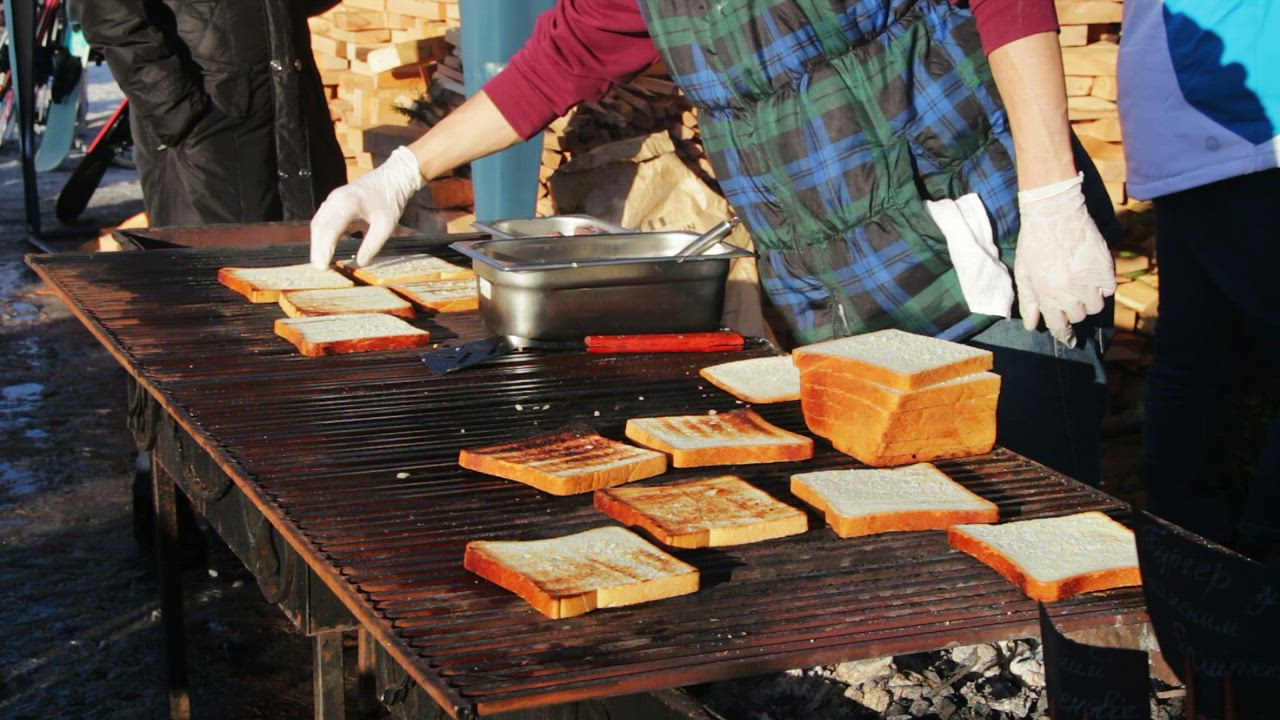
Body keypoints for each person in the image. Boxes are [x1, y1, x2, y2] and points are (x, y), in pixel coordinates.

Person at [311, 0, 1120, 485]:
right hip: (830, 296)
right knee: (917, 552)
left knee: (1043, 544)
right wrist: (404, 171)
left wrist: (1050, 194)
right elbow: (559, 60)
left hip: (992, 261)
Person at [1118, 2, 1280, 552]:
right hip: (1246, 109)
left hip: (1200, 104)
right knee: (1198, 361)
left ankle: (1192, 561)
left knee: (1199, 356)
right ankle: (1253, 559)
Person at [81, 0, 346, 225]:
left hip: (290, 108)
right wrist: (175, 109)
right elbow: (112, 16)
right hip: (206, 125)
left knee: (303, 267)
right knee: (212, 269)